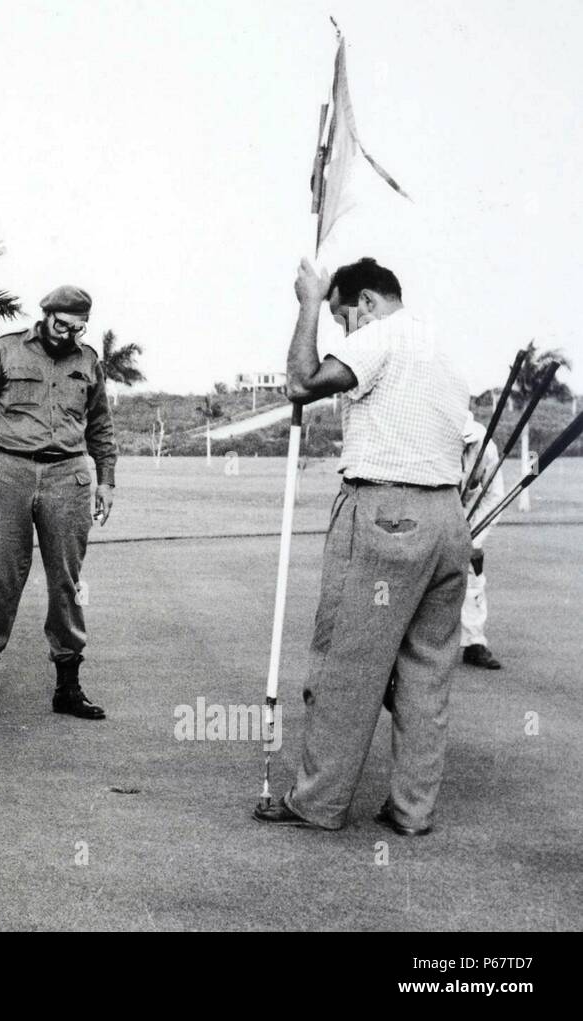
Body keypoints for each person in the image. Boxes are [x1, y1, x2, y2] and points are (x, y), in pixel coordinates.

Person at [254, 257, 469, 838]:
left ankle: (317, 804)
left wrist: (308, 302)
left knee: (348, 666)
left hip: (385, 515)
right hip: (447, 519)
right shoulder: (439, 349)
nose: (345, 332)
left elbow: (301, 383)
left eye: (343, 317)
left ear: (367, 303)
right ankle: (412, 811)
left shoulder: (377, 338)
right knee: (426, 676)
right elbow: (469, 444)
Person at [0, 285, 117, 721]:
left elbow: (100, 426)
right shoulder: (4, 351)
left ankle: (68, 688)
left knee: (68, 583)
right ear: (44, 315)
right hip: (10, 473)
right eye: (62, 325)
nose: (68, 335)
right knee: (1, 580)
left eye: (78, 328)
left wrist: (107, 482)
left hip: (69, 476)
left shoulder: (89, 361)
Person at [460, 414, 504, 670]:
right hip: (433, 509)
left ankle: (474, 642)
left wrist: (474, 539)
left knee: (473, 578)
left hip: (469, 515)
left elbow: (493, 497)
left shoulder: (485, 447)